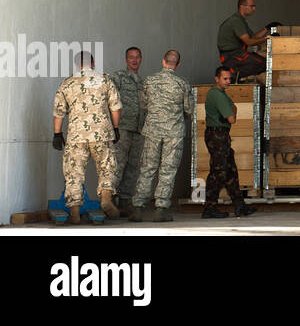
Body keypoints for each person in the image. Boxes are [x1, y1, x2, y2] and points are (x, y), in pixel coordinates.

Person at [52, 51, 121, 224]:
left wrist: (57, 133)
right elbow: (115, 107)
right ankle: (106, 199)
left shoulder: (67, 83)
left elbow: (59, 111)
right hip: (102, 134)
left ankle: (74, 212)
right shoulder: (105, 80)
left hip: (76, 136)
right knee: (107, 167)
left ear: (76, 65)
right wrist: (116, 128)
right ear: (93, 63)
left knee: (74, 172)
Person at [132, 49, 194, 223]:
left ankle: (138, 207)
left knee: (147, 168)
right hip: (174, 132)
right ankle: (161, 209)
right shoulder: (182, 83)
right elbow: (189, 110)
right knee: (168, 170)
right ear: (178, 64)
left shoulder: (149, 81)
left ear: (163, 61)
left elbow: (143, 105)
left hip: (152, 130)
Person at [203, 66, 256, 219]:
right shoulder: (217, 95)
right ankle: (209, 207)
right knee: (218, 172)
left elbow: (234, 109)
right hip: (217, 135)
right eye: (224, 78)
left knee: (230, 170)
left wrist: (233, 111)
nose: (228, 81)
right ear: (217, 79)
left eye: (229, 79)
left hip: (221, 134)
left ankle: (239, 205)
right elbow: (232, 118)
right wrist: (233, 112)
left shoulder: (221, 93)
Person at [108, 47, 146, 211]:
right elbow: (109, 99)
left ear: (141, 59)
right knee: (117, 164)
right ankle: (109, 199)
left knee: (133, 166)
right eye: (131, 57)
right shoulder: (118, 77)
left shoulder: (143, 83)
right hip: (122, 128)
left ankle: (125, 200)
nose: (134, 60)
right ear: (126, 60)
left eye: (137, 57)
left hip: (138, 129)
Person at [216, 0, 278, 82]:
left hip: (236, 54)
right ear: (242, 7)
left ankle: (236, 77)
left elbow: (253, 37)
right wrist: (269, 38)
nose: (254, 9)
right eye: (251, 6)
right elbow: (249, 42)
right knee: (265, 63)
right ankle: (233, 76)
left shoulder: (240, 20)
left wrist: (267, 28)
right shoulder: (236, 21)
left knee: (264, 63)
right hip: (232, 55)